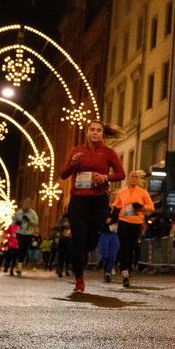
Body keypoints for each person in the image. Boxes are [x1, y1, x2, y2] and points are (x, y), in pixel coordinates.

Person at [58, 120, 125, 293]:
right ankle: (79, 280)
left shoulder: (109, 153)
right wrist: (73, 163)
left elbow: (121, 174)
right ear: (87, 133)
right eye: (92, 130)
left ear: (102, 134)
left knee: (91, 240)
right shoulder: (77, 151)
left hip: (99, 200)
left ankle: (86, 250)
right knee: (78, 240)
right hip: (78, 199)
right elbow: (63, 175)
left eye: (98, 130)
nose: (95, 133)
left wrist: (105, 178)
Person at [112, 170, 155, 287]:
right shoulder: (122, 192)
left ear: (138, 179)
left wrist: (141, 207)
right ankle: (124, 270)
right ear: (128, 179)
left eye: (136, 177)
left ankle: (128, 269)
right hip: (123, 221)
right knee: (124, 245)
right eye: (132, 177)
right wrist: (114, 211)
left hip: (136, 223)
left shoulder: (143, 193)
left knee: (131, 247)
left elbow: (151, 207)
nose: (134, 179)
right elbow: (116, 204)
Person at [96, 206, 121, 284]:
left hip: (115, 234)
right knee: (105, 254)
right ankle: (104, 266)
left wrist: (112, 220)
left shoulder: (119, 209)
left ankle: (108, 273)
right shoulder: (104, 208)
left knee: (113, 255)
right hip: (105, 233)